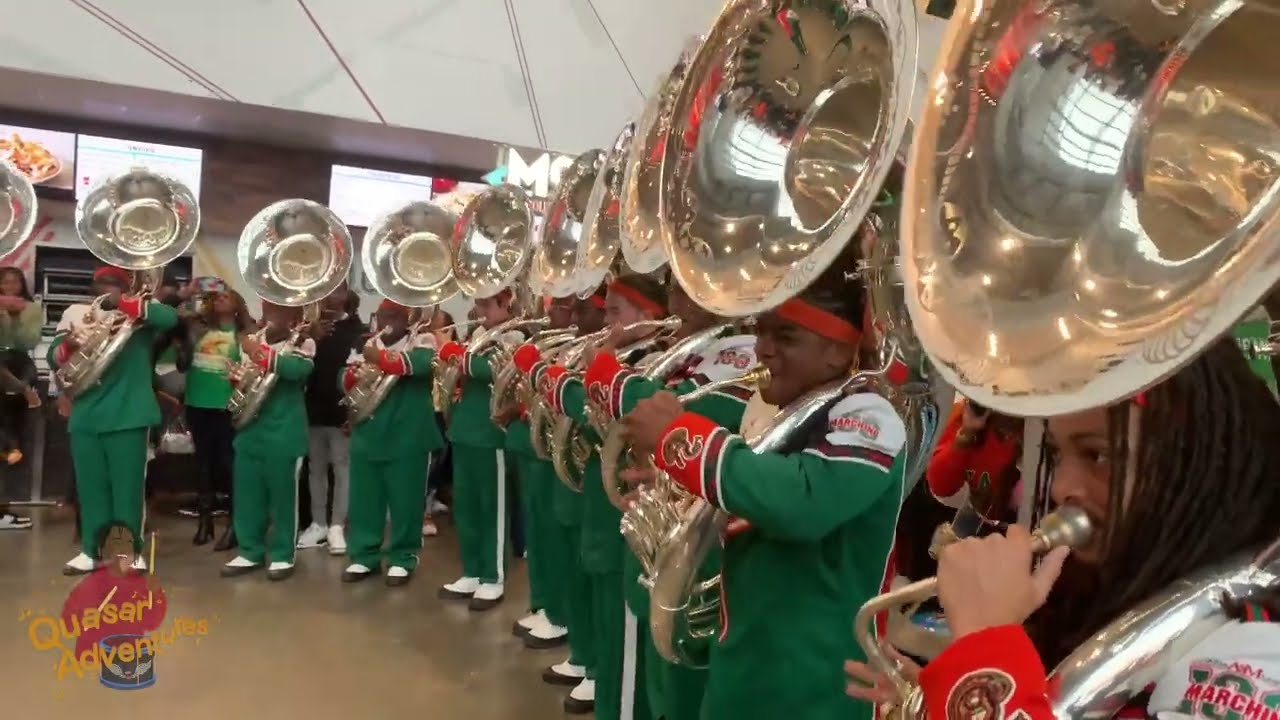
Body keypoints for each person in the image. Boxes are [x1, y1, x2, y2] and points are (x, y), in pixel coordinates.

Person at [845, 338, 1280, 720]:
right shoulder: (1106, 595)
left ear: (1197, 467)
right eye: (1058, 455)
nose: (1061, 488)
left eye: (1099, 456)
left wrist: (981, 657)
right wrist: (945, 693)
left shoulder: (1257, 652)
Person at [622, 254, 906, 720]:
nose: (762, 349)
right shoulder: (777, 413)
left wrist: (679, 441)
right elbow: (753, 495)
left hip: (815, 690)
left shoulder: (869, 416)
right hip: (743, 668)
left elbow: (801, 502)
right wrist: (680, 487)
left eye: (785, 336)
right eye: (761, 331)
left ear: (839, 350)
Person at [586, 278, 757, 720]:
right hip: (660, 533)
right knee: (658, 684)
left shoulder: (740, 354)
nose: (674, 301)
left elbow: (675, 409)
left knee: (684, 688)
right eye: (674, 290)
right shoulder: (684, 351)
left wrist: (606, 373)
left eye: (685, 290)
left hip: (700, 552)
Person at [527, 268, 673, 717]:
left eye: (615, 312)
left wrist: (571, 384)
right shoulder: (623, 356)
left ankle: (610, 690)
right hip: (598, 493)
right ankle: (594, 668)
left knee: (620, 618)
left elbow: (607, 416)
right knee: (598, 600)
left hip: (629, 507)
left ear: (647, 315)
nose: (606, 321)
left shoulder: (654, 361)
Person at [50, 266, 179, 576]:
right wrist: (70, 345)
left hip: (128, 412)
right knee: (90, 489)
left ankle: (130, 552)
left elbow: (170, 319)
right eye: (102, 282)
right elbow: (54, 355)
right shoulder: (76, 312)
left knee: (127, 491)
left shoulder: (139, 312)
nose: (106, 287)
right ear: (93, 284)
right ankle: (90, 551)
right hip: (86, 413)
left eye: (115, 283)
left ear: (125, 286)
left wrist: (124, 302)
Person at [341, 300, 442, 586]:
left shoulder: (423, 340)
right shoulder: (365, 343)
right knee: (364, 500)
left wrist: (380, 358)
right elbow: (343, 379)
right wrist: (352, 375)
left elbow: (421, 366)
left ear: (407, 317)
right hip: (368, 434)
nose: (388, 321)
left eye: (395, 315)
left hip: (407, 436)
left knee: (406, 502)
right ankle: (364, 555)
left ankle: (403, 556)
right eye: (383, 315)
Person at [437, 289, 523, 610]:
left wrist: (453, 353)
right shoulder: (477, 335)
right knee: (466, 507)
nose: (478, 309)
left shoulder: (515, 336)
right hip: (464, 430)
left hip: (491, 434)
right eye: (478, 302)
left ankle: (493, 576)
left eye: (486, 303)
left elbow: (494, 370)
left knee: (492, 509)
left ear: (506, 302)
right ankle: (472, 570)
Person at [502, 295, 577, 648]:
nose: (549, 312)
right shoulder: (553, 343)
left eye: (559, 306)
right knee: (539, 534)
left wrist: (536, 373)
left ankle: (561, 614)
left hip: (559, 453)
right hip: (536, 446)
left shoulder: (577, 348)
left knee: (557, 539)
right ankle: (544, 603)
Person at [220, 301, 315, 581]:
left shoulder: (303, 342)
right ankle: (250, 550)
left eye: (278, 310)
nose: (270, 314)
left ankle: (283, 554)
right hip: (250, 431)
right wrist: (236, 379)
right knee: (248, 496)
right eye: (267, 308)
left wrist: (257, 353)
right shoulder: (254, 340)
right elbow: (245, 381)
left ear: (293, 315)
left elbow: (297, 371)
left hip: (284, 432)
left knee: (283, 500)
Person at [183, 282, 252, 549]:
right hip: (196, 402)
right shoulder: (199, 329)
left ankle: (236, 524)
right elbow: (177, 316)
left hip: (226, 405)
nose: (221, 299)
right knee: (202, 464)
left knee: (228, 464)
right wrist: (192, 298)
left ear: (237, 305)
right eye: (218, 297)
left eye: (227, 296)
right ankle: (205, 520)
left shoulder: (245, 334)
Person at [299, 284, 365, 554]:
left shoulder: (357, 331)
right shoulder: (306, 330)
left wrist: (353, 412)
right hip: (313, 409)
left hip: (341, 411)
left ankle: (338, 525)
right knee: (315, 468)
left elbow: (358, 375)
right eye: (326, 291)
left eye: (337, 291)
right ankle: (318, 524)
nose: (330, 297)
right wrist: (310, 336)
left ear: (346, 296)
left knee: (342, 468)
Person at [60, 521, 166, 658]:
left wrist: (157, 595)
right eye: (116, 542)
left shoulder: (143, 584)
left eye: (128, 543)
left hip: (127, 661)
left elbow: (152, 623)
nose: (123, 548)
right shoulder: (89, 585)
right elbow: (68, 624)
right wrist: (85, 620)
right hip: (93, 660)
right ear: (103, 550)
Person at [0, 266, 41, 529]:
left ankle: (4, 509)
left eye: (15, 282)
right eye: (4, 282)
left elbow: (28, 342)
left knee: (12, 440)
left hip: (18, 367)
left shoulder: (32, 309)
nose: (10, 286)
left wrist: (15, 318)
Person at [423, 307, 456, 538]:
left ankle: (431, 498)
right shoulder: (422, 346)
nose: (433, 330)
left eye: (439, 326)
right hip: (427, 410)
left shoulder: (451, 348)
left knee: (439, 462)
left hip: (444, 409)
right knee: (429, 463)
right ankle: (424, 512)